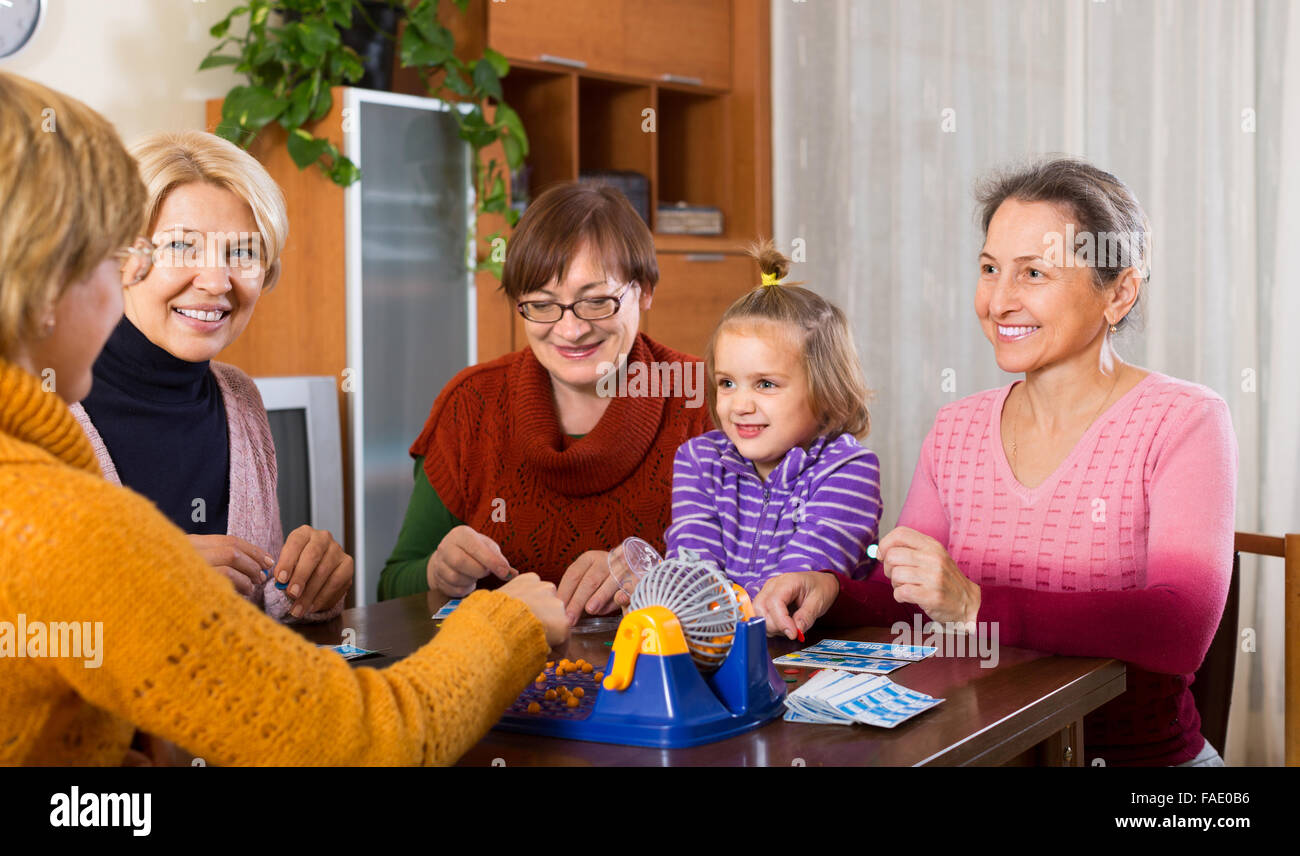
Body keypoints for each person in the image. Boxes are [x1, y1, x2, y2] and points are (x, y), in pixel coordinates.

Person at [0, 70, 568, 766]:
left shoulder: (230, 404)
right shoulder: (67, 519)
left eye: (242, 253)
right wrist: (505, 624)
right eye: (112, 257)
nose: (214, 279)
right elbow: (364, 743)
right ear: (43, 278)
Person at [753, 157, 1236, 767]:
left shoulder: (1184, 419)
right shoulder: (957, 427)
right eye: (989, 269)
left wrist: (977, 606)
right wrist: (830, 592)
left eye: (1033, 272)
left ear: (1119, 292)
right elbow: (911, 597)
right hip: (982, 751)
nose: (1000, 300)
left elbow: (1179, 628)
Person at [381, 182, 714, 626]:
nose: (571, 330)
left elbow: (772, 573)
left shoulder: (707, 397)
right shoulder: (470, 405)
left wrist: (654, 573)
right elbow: (391, 585)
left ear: (645, 290)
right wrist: (438, 572)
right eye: (541, 304)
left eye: (596, 301)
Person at [69, 130, 349, 622]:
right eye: (180, 246)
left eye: (242, 252)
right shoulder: (34, 404)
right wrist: (147, 580)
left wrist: (306, 590)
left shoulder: (240, 399)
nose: (217, 281)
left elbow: (248, 618)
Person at [661, 240, 881, 600]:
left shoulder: (849, 469)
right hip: (719, 642)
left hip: (808, 651)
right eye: (727, 383)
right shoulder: (698, 461)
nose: (740, 405)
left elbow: (796, 584)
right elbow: (691, 570)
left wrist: (719, 605)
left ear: (826, 390)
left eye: (765, 384)